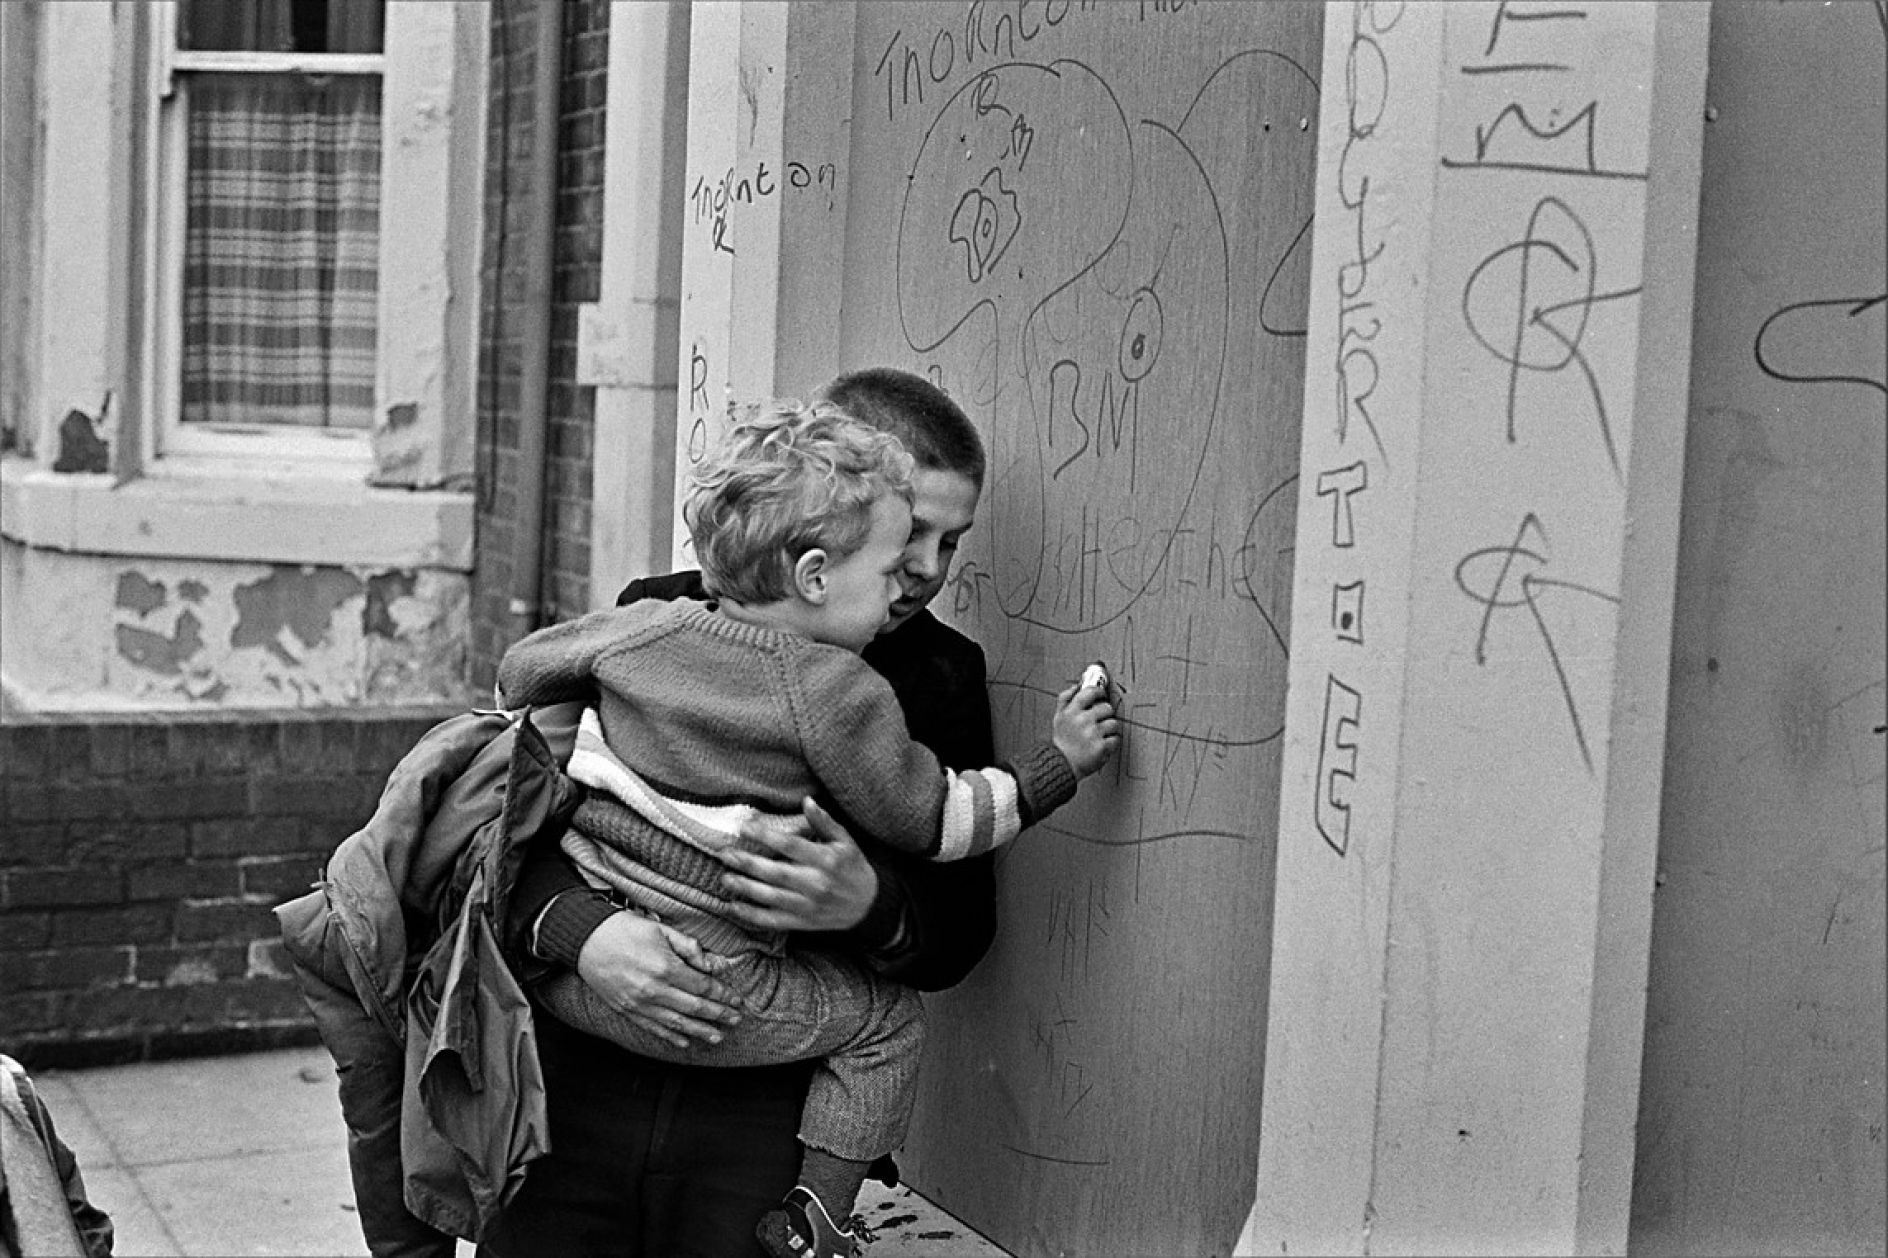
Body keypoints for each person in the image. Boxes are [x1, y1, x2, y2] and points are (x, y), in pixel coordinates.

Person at [491, 399, 1119, 1257]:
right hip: (585, 1080)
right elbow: (508, 828)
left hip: (748, 1116)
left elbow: (960, 934)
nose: (923, 572)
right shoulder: (825, 680)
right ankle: (818, 1222)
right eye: (906, 543)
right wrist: (586, 933)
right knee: (884, 1030)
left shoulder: (928, 672)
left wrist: (867, 905)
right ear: (822, 562)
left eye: (951, 543)